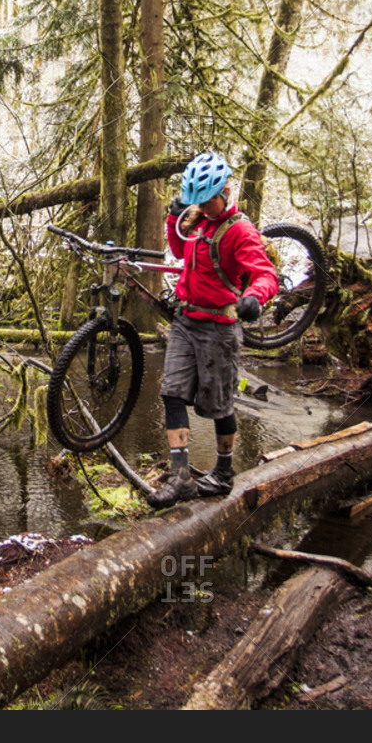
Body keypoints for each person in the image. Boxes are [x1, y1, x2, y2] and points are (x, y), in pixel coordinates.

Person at [150, 151, 279, 508]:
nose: (203, 207)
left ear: (223, 191)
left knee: (219, 405)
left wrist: (255, 296)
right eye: (198, 201)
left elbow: (266, 274)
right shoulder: (199, 221)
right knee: (172, 393)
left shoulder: (240, 230)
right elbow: (178, 249)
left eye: (207, 200)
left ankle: (223, 474)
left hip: (219, 329)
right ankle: (180, 478)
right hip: (185, 321)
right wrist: (175, 215)